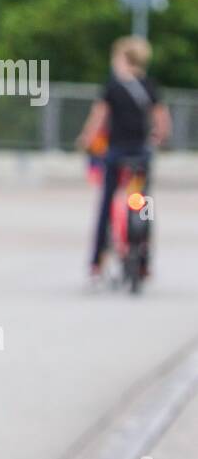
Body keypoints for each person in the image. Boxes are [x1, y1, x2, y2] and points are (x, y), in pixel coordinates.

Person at [76, 36, 170, 281]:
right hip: (141, 152)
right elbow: (161, 120)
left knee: (107, 203)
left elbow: (98, 118)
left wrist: (86, 141)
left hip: (116, 152)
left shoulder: (112, 86)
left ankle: (96, 261)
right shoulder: (149, 85)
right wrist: (159, 139)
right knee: (145, 203)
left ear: (123, 59)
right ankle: (144, 261)